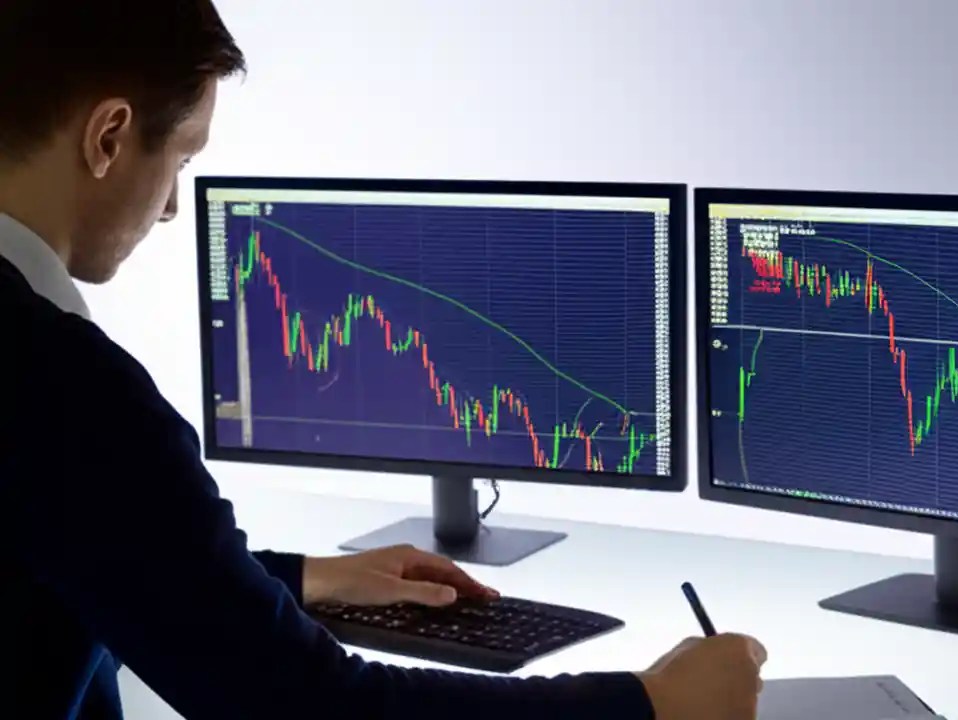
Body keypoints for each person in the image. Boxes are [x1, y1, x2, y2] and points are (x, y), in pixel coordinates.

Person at [0, 2, 767, 719]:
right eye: (183, 156)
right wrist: (648, 703)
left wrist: (302, 578)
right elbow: (309, 705)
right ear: (108, 137)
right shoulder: (70, 393)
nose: (171, 205)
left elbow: (100, 556)